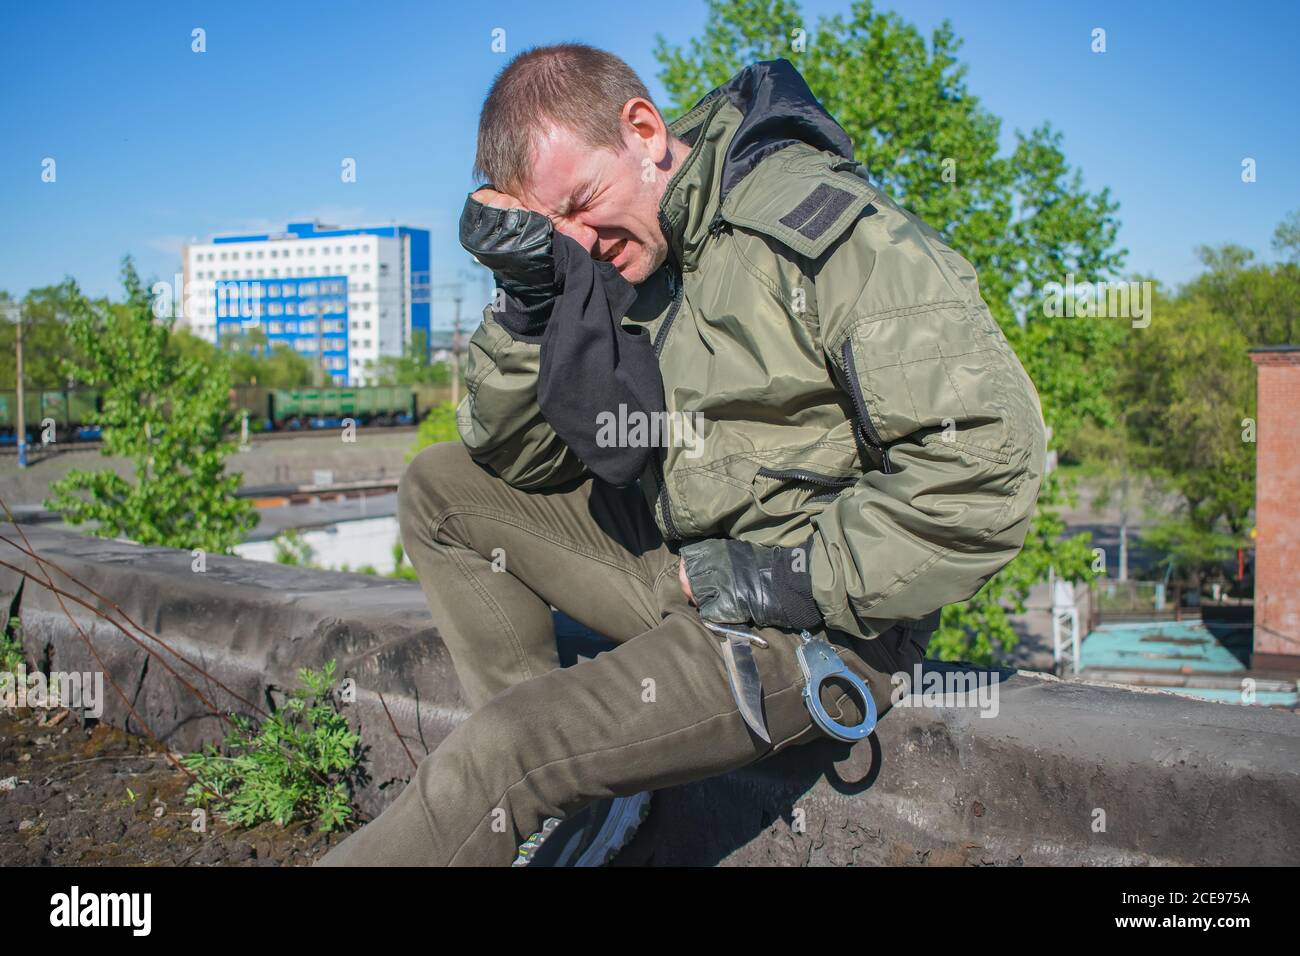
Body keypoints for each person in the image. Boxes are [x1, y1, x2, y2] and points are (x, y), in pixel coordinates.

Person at [318, 43, 1046, 867]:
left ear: (643, 129)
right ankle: (577, 798)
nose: (581, 245)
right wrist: (527, 305)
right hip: (683, 562)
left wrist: (794, 577)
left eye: (584, 204)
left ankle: (535, 772)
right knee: (439, 487)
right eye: (554, 231)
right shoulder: (622, 251)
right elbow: (513, 456)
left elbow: (989, 466)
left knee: (502, 752)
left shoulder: (818, 228)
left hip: (814, 622)